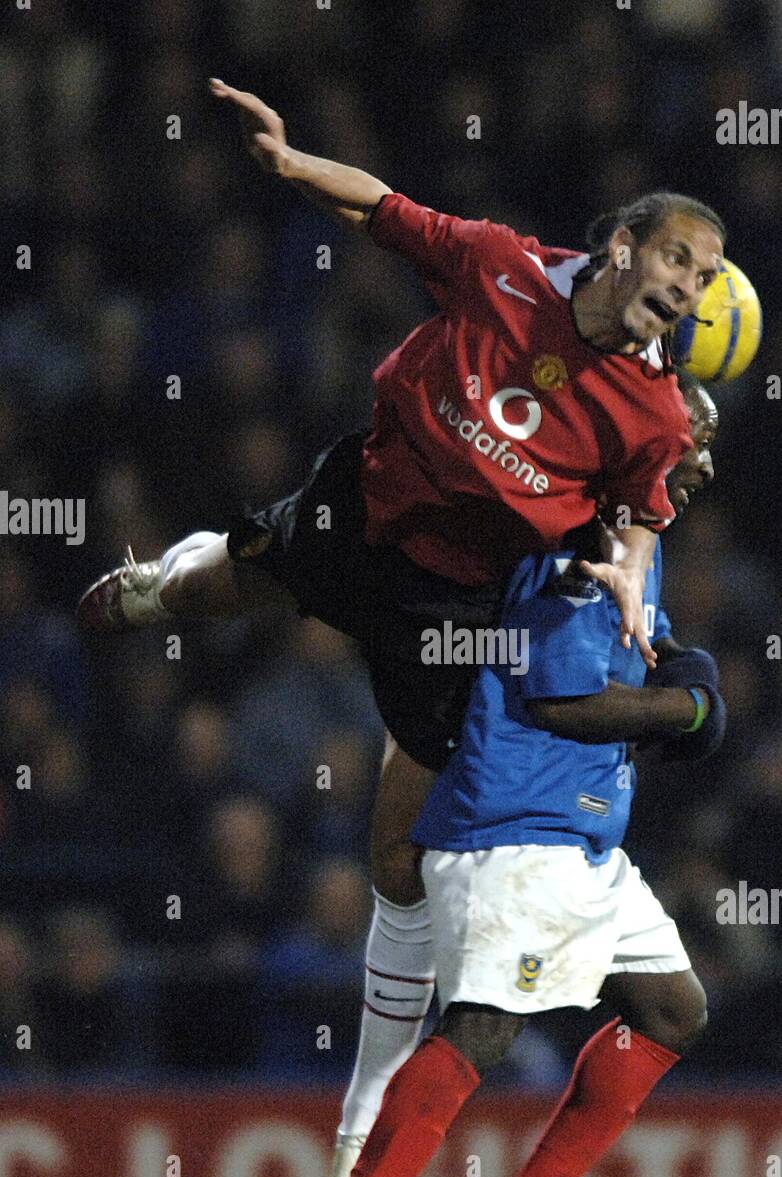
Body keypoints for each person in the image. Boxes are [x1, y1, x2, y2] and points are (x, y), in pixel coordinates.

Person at [77, 80, 726, 933]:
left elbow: (643, 509)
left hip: (453, 599)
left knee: (400, 852)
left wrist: (632, 575)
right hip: (363, 505)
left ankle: (394, 1047)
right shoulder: (504, 266)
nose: (687, 286)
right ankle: (158, 581)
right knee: (208, 596)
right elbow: (384, 211)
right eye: (677, 259)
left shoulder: (656, 412)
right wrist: (288, 160)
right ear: (621, 248)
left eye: (705, 277)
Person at [281, 382, 724, 1177]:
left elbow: (644, 666)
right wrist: (688, 707)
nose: (707, 464)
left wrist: (683, 679)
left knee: (673, 1008)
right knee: (481, 1028)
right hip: (516, 828)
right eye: (696, 441)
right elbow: (560, 700)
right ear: (645, 446)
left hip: (584, 837)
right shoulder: (573, 548)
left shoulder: (634, 548)